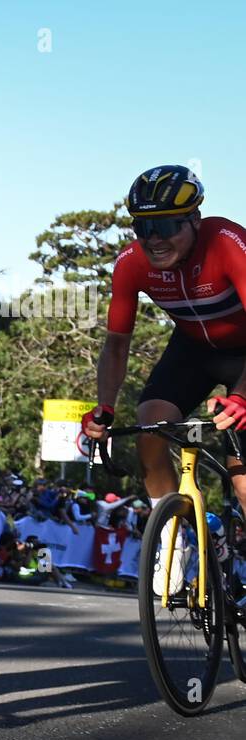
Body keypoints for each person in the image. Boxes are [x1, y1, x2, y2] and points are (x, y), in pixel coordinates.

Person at [82, 165, 246, 587]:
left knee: (242, 476)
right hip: (192, 350)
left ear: (194, 219)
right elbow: (116, 344)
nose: (154, 239)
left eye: (167, 225)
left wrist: (242, 396)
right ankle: (174, 539)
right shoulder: (131, 264)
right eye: (143, 227)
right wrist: (103, 408)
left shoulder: (228, 243)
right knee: (151, 422)